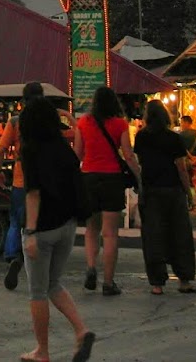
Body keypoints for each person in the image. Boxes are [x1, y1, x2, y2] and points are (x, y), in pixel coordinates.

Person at [18, 98, 95, 362]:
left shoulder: (30, 150)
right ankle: (81, 330)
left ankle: (42, 351)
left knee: (37, 291)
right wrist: (71, 119)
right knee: (54, 283)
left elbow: (33, 194)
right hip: (67, 225)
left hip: (42, 228)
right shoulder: (63, 148)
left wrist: (30, 232)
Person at [0, 81, 76, 291]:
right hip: (45, 181)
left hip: (20, 179)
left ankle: (13, 255)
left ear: (23, 100)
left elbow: (0, 150)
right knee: (39, 223)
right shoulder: (51, 123)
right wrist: (66, 115)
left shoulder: (16, 121)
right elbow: (76, 135)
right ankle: (30, 257)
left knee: (16, 221)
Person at [74, 86, 139, 296]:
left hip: (89, 178)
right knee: (110, 234)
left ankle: (91, 267)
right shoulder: (120, 124)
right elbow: (128, 155)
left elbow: (77, 153)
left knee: (91, 229)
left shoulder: (83, 122)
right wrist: (139, 176)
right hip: (112, 179)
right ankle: (108, 282)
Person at [134, 100, 196, 294]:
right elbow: (181, 167)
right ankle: (184, 279)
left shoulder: (141, 137)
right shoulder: (173, 138)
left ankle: (157, 282)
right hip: (173, 190)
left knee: (153, 235)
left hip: (151, 190)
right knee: (180, 234)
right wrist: (189, 192)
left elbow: (140, 164)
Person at [179, 114, 196, 206]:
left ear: (186, 122)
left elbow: (181, 148)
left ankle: (187, 200)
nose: (181, 125)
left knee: (184, 180)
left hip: (184, 160)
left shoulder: (180, 135)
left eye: (181, 122)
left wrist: (189, 156)